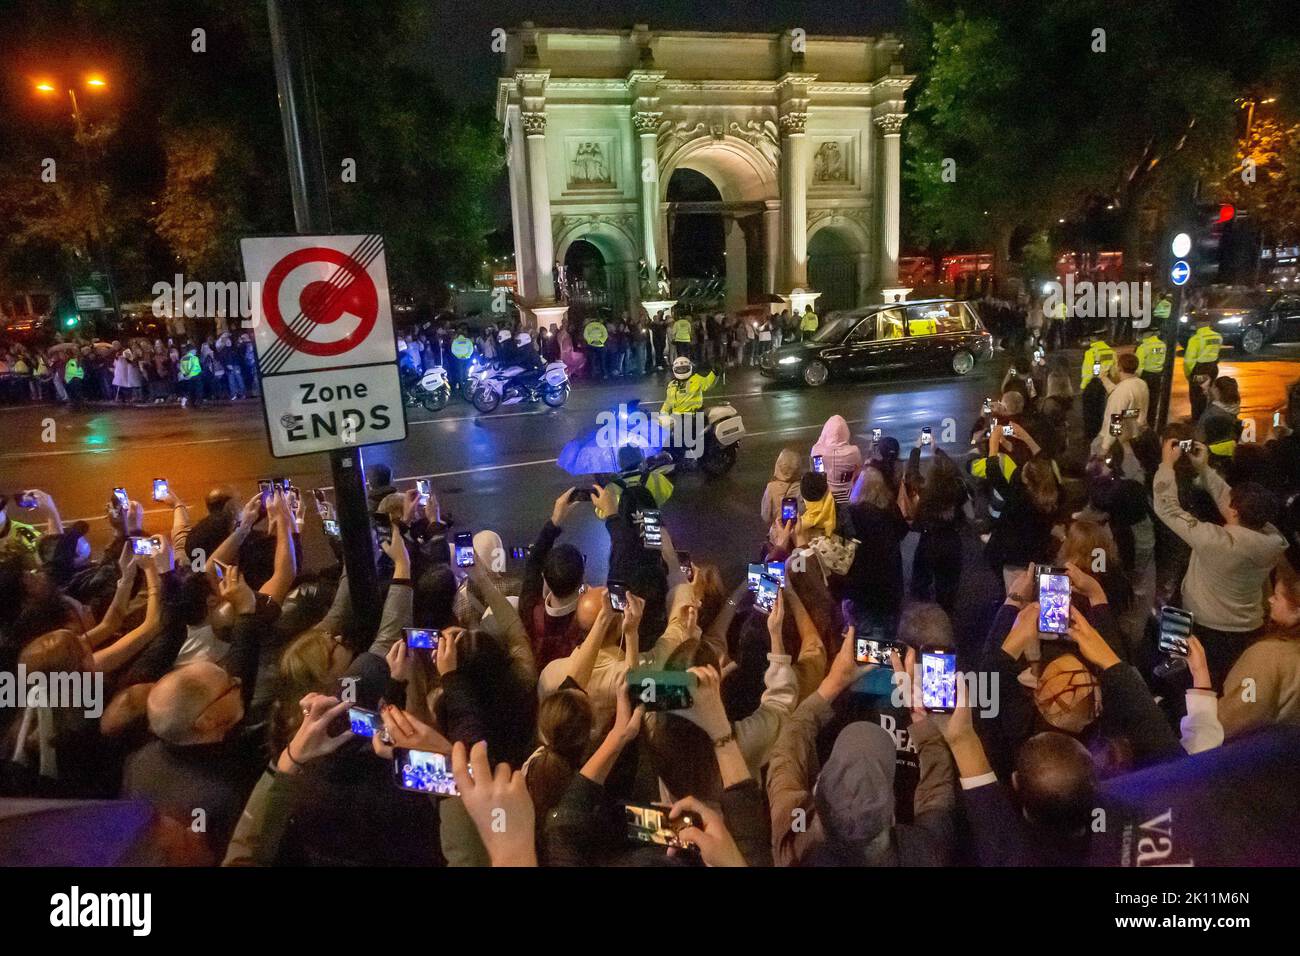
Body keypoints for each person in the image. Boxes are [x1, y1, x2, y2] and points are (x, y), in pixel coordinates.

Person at [1152, 436, 1286, 687]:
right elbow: (1232, 502)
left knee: (1197, 682)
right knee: (1229, 682)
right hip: (1247, 628)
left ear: (1234, 512)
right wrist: (1204, 468)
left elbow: (1167, 509)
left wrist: (1166, 465)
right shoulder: (1273, 539)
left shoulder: (1217, 541)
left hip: (1206, 627)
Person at [1095, 352, 1149, 452]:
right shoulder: (1141, 384)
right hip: (1135, 433)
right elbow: (1123, 398)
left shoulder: (1122, 391)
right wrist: (1104, 378)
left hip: (1120, 441)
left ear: (1119, 368)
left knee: (1094, 448)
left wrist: (1105, 447)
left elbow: (1116, 419)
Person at [810, 415, 862, 504]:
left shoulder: (817, 450)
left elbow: (813, 471)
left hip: (826, 495)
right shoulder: (854, 451)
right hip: (848, 494)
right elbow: (858, 470)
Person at [1184, 316, 1223, 422]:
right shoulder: (1218, 336)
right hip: (1213, 368)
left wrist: (1188, 374)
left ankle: (1197, 420)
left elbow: (1189, 361)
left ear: (1199, 324)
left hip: (1200, 369)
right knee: (1208, 394)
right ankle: (1207, 416)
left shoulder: (1196, 339)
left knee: (1196, 396)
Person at [1135, 327, 1168, 427]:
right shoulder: (1162, 345)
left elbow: (1138, 367)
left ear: (1146, 334)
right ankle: (1151, 424)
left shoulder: (1144, 347)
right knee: (1154, 401)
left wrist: (1136, 381)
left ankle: (1141, 425)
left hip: (1146, 376)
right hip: (1157, 376)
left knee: (1142, 402)